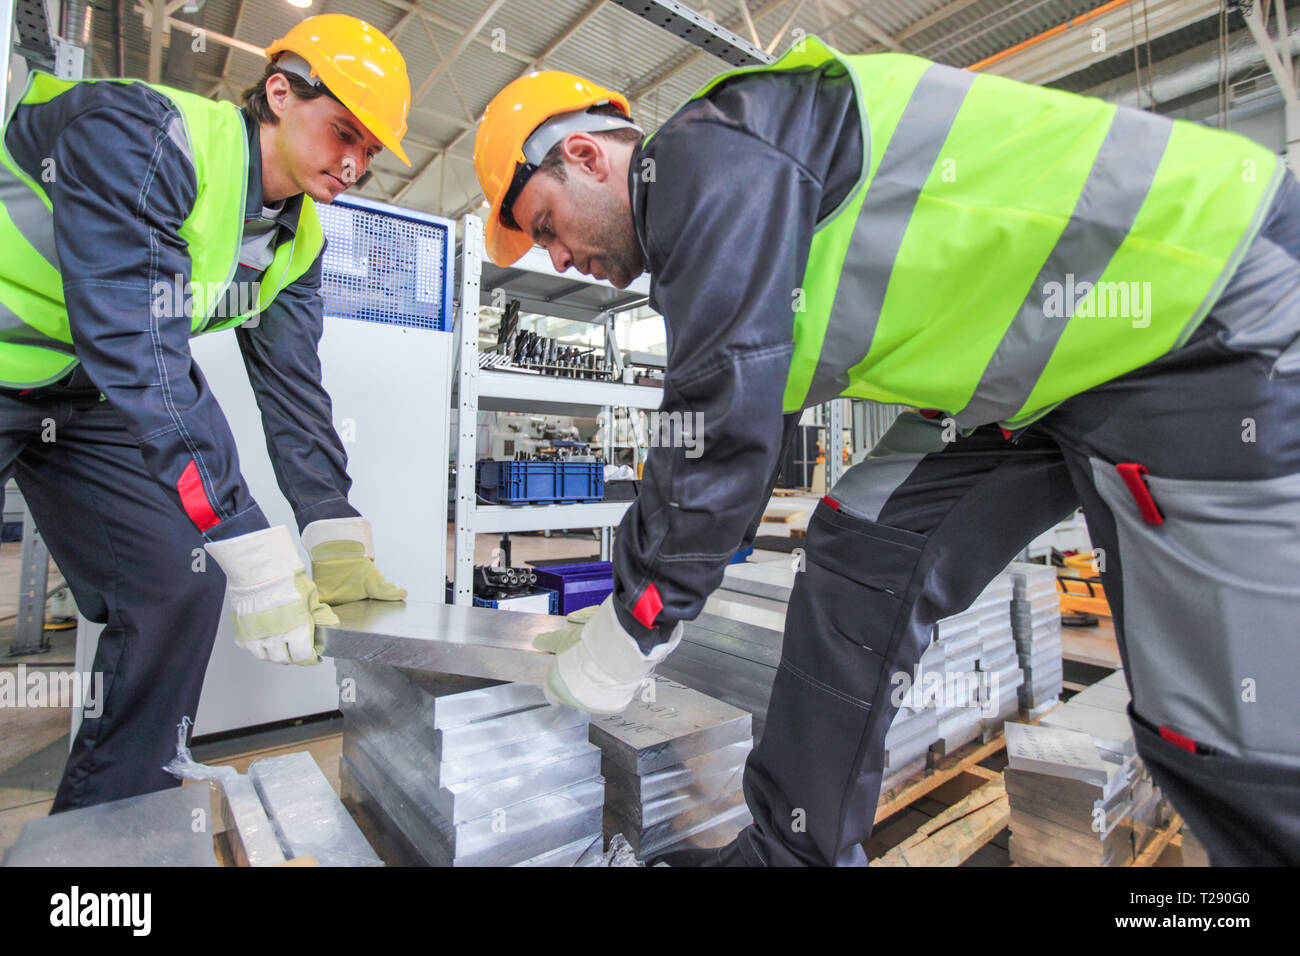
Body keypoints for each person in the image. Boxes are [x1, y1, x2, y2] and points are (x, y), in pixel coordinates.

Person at [475, 37, 1300, 866]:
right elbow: (740, 445)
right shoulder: (728, 209)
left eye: (544, 225)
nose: (558, 256)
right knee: (863, 541)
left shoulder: (705, 154)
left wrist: (634, 625)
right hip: (1038, 375)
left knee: (1217, 732)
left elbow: (720, 416)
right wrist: (637, 597)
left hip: (1192, 311)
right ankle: (793, 852)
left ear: (581, 154)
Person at [0, 13, 409, 811]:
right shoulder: (145, 136)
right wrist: (249, 543)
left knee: (172, 587)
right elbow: (141, 348)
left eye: (371, 150)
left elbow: (293, 394)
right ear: (281, 93)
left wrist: (329, 528)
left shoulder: (299, 241)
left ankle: (110, 833)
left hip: (85, 390)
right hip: (63, 361)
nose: (355, 162)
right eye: (344, 133)